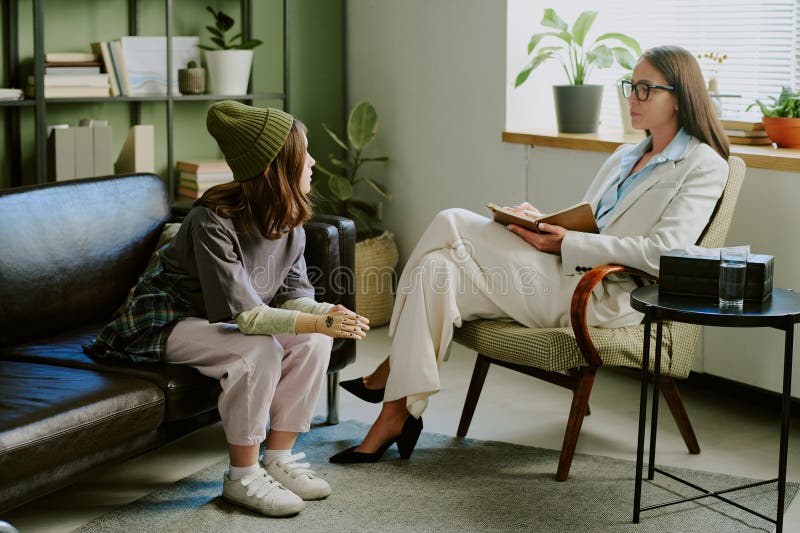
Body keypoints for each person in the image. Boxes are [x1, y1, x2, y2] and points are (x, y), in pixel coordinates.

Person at [330, 45, 730, 463]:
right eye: (631, 86)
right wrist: (541, 221)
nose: (632, 97)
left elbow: (664, 256)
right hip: (564, 272)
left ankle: (390, 370)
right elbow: (592, 220)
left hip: (606, 296)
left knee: (451, 221)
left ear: (681, 97)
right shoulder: (623, 156)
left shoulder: (704, 165)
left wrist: (567, 243)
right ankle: (396, 414)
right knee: (436, 270)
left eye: (646, 89)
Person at [84, 101, 369, 516]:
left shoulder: (288, 220)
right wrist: (318, 317)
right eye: (302, 153)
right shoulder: (211, 220)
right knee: (257, 350)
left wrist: (326, 315)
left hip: (217, 319)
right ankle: (243, 475)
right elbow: (247, 319)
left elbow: (293, 295)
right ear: (274, 168)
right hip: (165, 319)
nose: (312, 161)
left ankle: (279, 459)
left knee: (313, 339)